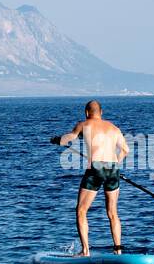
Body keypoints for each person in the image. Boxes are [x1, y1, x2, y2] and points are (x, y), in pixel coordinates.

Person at [50, 100, 130, 256]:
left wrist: (58, 140)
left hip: (96, 168)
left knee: (81, 210)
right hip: (113, 169)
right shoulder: (114, 128)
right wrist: (113, 165)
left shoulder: (84, 124)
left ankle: (85, 250)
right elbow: (125, 150)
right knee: (113, 213)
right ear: (102, 112)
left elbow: (70, 137)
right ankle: (118, 251)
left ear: (87, 112)